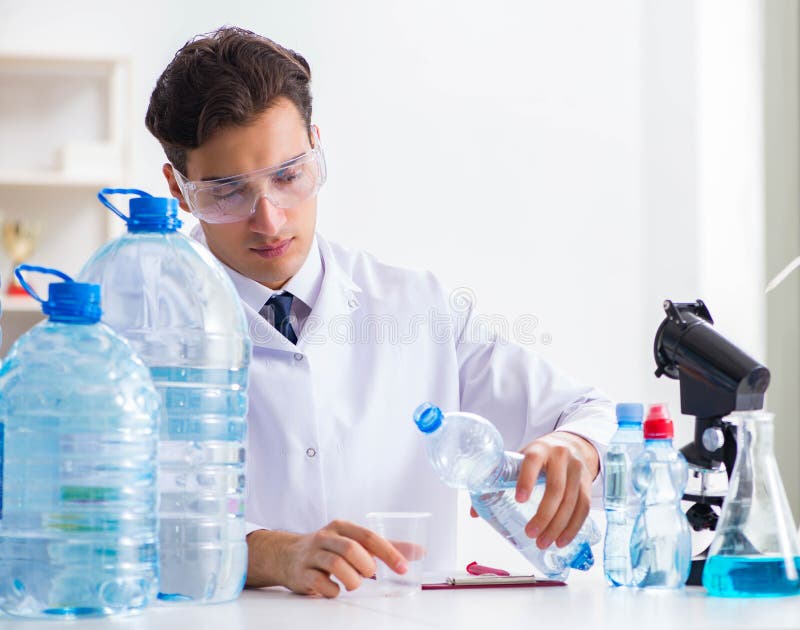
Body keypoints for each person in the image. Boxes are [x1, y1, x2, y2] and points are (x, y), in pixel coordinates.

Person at [145, 26, 616, 598]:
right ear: (178, 187)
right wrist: (268, 553)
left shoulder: (417, 305)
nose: (269, 220)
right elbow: (101, 516)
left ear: (317, 148)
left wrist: (577, 449)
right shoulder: (138, 324)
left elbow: (589, 411)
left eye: (289, 176)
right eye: (227, 192)